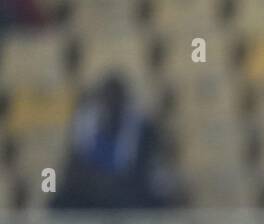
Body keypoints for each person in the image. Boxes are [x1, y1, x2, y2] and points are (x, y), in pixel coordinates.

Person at [52, 74, 179, 210]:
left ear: (124, 102)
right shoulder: (86, 126)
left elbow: (142, 170)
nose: (112, 105)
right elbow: (75, 166)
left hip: (128, 191)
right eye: (107, 100)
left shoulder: (143, 130)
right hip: (92, 191)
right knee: (60, 201)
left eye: (116, 100)